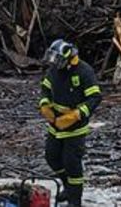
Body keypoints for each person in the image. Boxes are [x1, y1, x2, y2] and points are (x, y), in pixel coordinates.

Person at [39, 38, 102, 206]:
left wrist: (77, 114)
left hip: (75, 128)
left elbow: (95, 97)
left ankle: (75, 201)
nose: (54, 63)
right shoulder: (54, 70)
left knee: (71, 164)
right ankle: (68, 186)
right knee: (52, 157)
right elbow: (45, 88)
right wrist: (44, 104)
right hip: (55, 125)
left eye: (57, 60)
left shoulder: (84, 71)